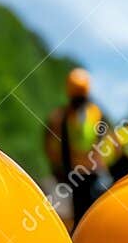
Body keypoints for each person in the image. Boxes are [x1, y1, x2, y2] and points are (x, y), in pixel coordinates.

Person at [44, 68, 107, 226]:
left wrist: (56, 166)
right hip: (84, 171)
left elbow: (52, 144)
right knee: (86, 212)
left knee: (83, 212)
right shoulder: (94, 113)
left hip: (81, 171)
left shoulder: (63, 115)